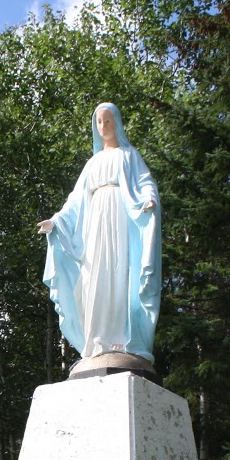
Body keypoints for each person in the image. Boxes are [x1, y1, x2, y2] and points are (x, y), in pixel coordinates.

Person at [37, 103, 161, 363]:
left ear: (117, 123)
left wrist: (149, 200)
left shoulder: (128, 155)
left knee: (119, 275)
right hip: (96, 225)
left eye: (108, 121)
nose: (103, 127)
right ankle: (97, 339)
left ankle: (121, 337)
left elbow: (145, 181)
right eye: (99, 123)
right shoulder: (92, 164)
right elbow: (75, 201)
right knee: (95, 276)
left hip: (120, 219)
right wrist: (56, 221)